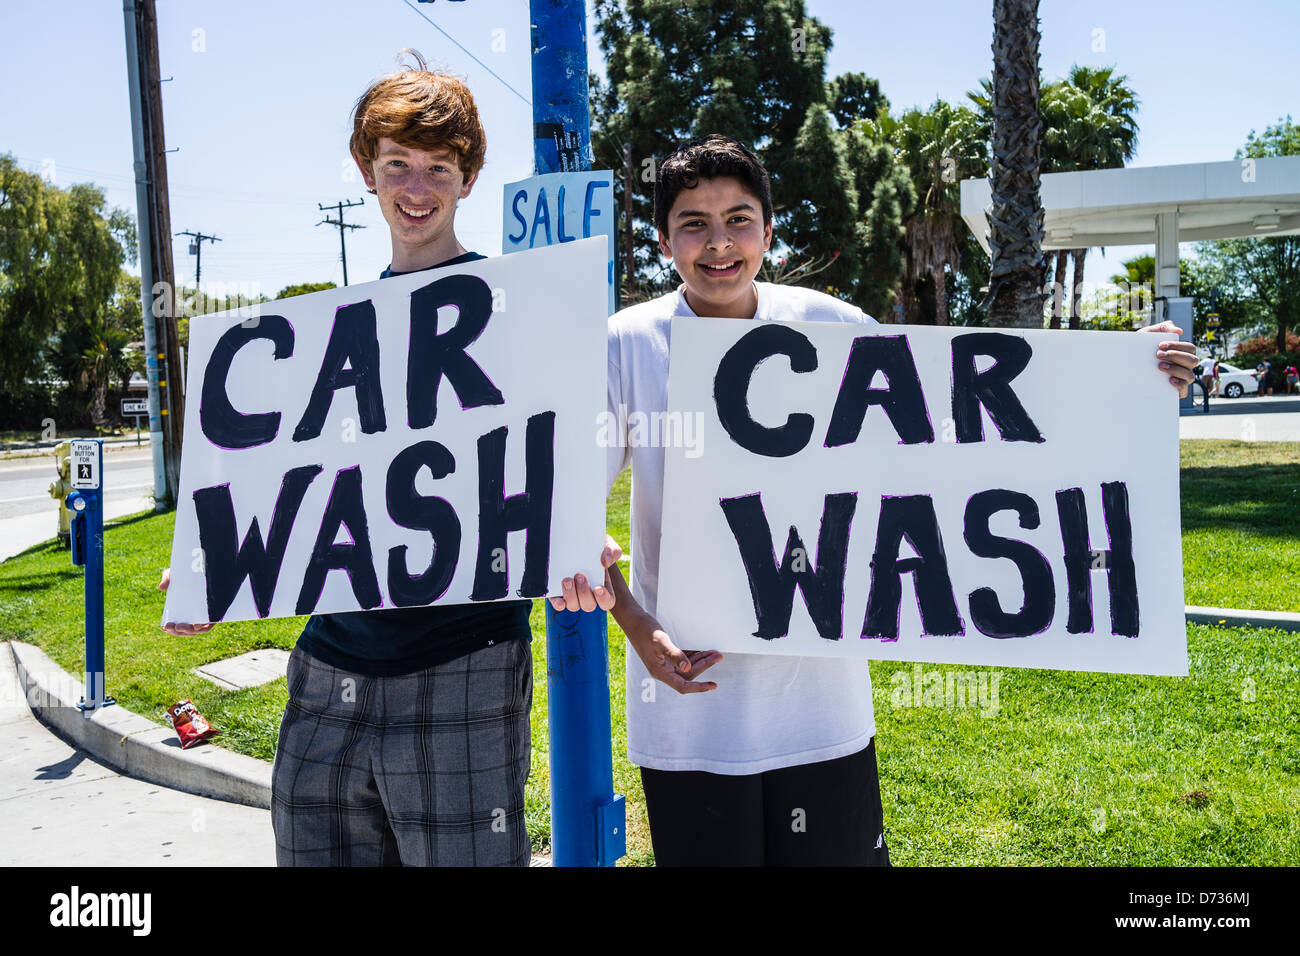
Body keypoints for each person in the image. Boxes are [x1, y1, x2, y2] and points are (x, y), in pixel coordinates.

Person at [550, 134, 1200, 866]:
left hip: (821, 711)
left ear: (768, 229)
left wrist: (1125, 376)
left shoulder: (835, 328)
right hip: (688, 718)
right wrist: (636, 626)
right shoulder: (626, 344)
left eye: (738, 219)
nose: (718, 243)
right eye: (693, 224)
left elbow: (963, 434)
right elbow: (567, 509)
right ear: (664, 239)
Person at [160, 52, 617, 867]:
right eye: (397, 163)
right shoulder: (329, 336)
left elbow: (538, 469)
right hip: (328, 664)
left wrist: (570, 534)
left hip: (465, 662)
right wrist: (217, 564)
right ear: (367, 171)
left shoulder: (518, 312)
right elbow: (299, 484)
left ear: (468, 180)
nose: (416, 187)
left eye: (439, 167)